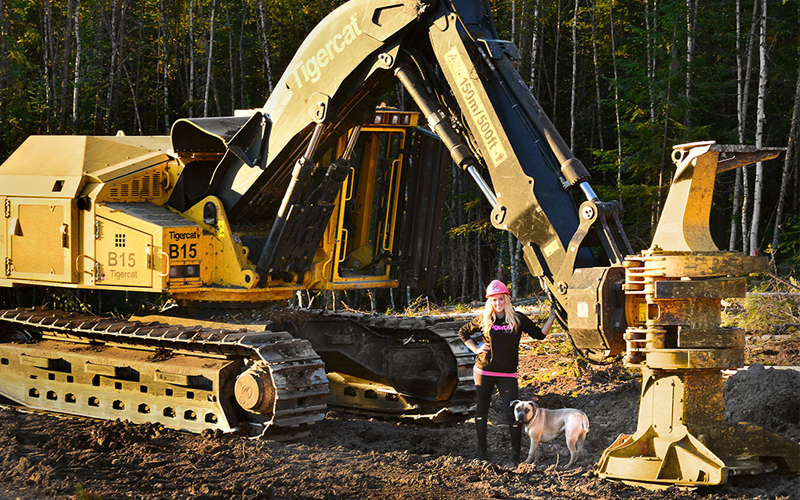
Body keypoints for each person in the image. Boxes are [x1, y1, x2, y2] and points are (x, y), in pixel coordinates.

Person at [459, 279, 556, 464]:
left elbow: (540, 335)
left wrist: (552, 317)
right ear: (490, 301)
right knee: (482, 410)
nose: (498, 303)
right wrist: (476, 348)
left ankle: (515, 457)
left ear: (506, 299)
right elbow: (463, 332)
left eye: (501, 299)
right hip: (484, 371)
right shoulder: (484, 319)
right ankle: (482, 453)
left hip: (508, 374)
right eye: (494, 300)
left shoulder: (517, 319)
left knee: (512, 414)